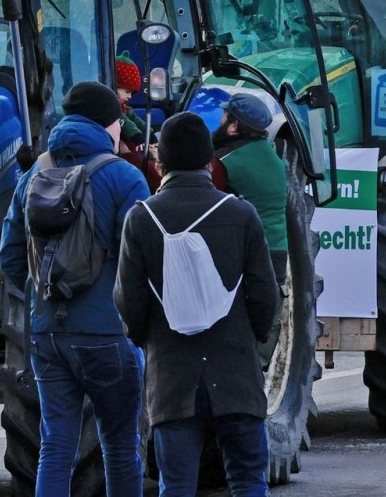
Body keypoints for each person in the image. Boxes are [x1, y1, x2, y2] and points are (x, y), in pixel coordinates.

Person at [115, 112, 278, 497]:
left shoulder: (141, 219)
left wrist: (147, 340)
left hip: (172, 378)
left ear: (160, 163)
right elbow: (265, 294)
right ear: (210, 161)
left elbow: (128, 301)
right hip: (236, 374)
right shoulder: (241, 214)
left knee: (176, 485)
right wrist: (248, 339)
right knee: (248, 480)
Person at [0, 81, 150, 497]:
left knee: (55, 446)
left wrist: (42, 296)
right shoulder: (125, 177)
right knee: (120, 447)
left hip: (48, 335)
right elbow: (139, 260)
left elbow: (10, 258)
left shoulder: (33, 175)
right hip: (106, 333)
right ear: (109, 125)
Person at [213, 93, 288, 286]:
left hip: (246, 257)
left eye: (224, 116)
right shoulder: (273, 158)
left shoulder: (225, 161)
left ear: (233, 126)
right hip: (277, 255)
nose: (220, 121)